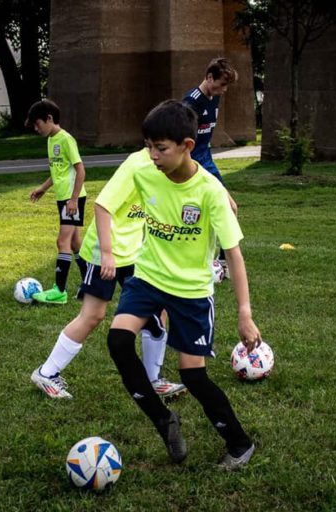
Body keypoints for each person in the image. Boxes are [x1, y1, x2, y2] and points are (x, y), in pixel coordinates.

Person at [105, 100, 261, 469]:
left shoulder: (209, 192)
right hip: (148, 278)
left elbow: (234, 254)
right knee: (118, 341)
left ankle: (239, 443)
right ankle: (164, 420)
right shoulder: (144, 172)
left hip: (191, 292)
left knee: (193, 376)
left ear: (187, 146)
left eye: (160, 148)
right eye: (148, 146)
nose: (152, 155)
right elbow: (105, 203)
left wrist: (245, 313)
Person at [30, 148, 185, 399]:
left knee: (157, 311)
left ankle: (153, 379)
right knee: (93, 315)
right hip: (104, 252)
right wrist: (107, 253)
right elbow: (102, 206)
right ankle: (46, 373)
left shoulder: (168, 165)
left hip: (134, 254)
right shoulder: (136, 165)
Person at [182, 57, 239, 277]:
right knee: (193, 217)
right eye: (222, 84)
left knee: (231, 208)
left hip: (207, 162)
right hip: (192, 166)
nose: (224, 90)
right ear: (209, 77)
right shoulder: (191, 102)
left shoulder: (214, 97)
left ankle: (223, 262)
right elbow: (180, 140)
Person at [26, 99, 87, 305]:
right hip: (64, 198)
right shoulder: (51, 140)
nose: (36, 129)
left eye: (37, 124)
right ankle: (90, 285)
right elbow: (57, 171)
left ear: (49, 118)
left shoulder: (66, 139)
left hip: (72, 199)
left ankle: (60, 291)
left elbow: (81, 170)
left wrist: (73, 200)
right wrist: (43, 188)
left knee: (62, 242)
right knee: (75, 243)